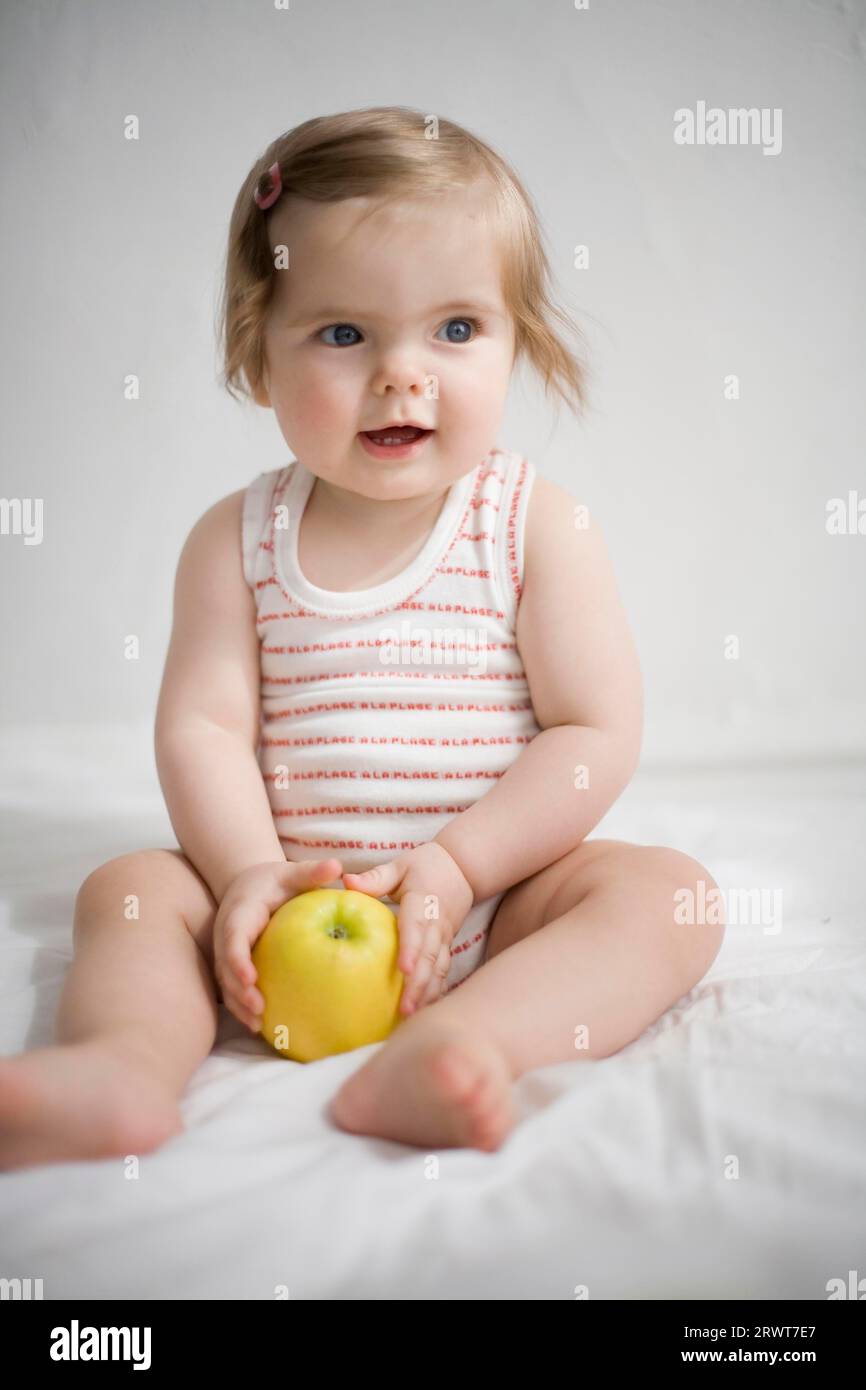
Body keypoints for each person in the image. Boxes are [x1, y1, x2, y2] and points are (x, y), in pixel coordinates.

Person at [0, 106, 725, 1168]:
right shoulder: (236, 538)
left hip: (492, 910)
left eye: (455, 329)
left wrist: (460, 866)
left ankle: (459, 1044)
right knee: (129, 890)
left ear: (517, 341)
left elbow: (592, 733)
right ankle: (121, 1067)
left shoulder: (533, 524)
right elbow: (204, 729)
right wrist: (247, 876)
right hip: (278, 906)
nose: (401, 373)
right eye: (343, 334)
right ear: (258, 354)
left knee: (669, 895)